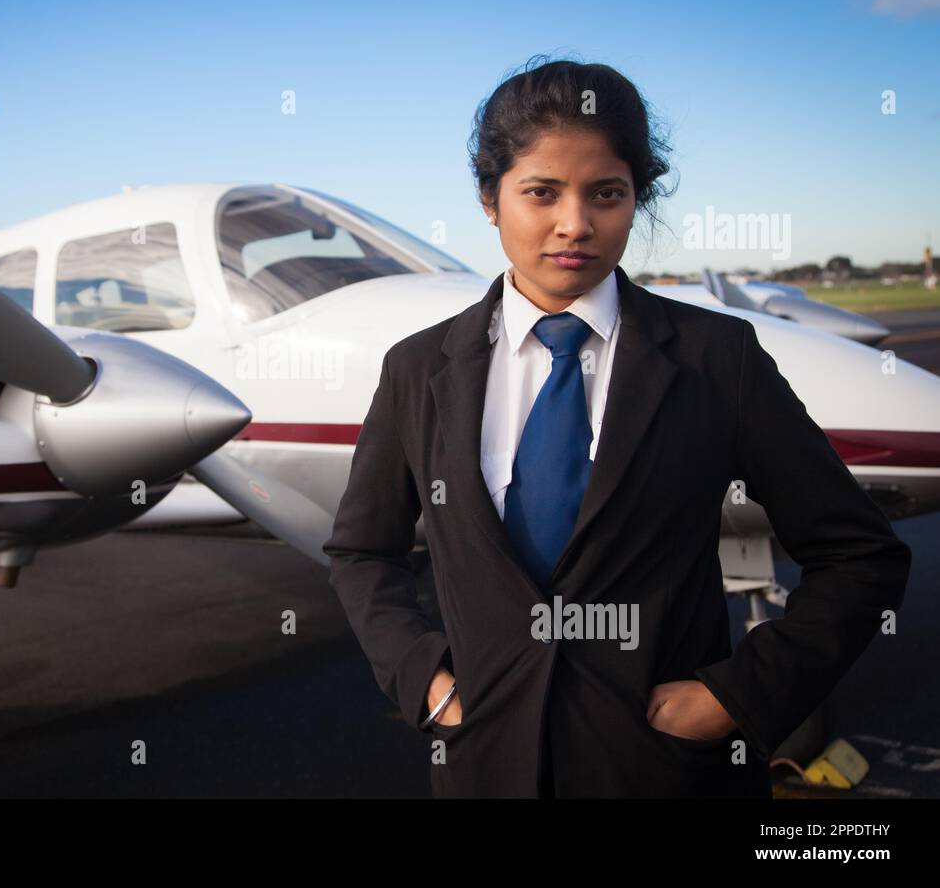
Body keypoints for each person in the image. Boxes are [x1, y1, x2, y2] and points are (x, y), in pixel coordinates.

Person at [322, 57, 911, 798]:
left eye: (607, 193)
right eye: (542, 192)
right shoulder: (416, 371)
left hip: (665, 773)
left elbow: (861, 555)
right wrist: (424, 681)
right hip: (486, 767)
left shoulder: (715, 360)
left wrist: (737, 696)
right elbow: (361, 551)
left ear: (638, 199)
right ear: (489, 198)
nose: (576, 224)